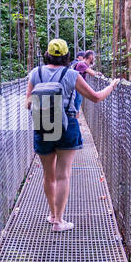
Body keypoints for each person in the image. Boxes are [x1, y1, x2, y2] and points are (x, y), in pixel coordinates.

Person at [25, 39, 117, 232]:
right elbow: (97, 97)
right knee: (63, 175)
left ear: (47, 54)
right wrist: (113, 85)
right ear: (67, 55)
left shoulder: (36, 73)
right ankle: (59, 221)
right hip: (67, 125)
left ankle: (51, 215)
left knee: (48, 175)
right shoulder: (71, 74)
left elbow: (27, 104)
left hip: (43, 125)